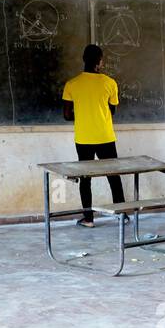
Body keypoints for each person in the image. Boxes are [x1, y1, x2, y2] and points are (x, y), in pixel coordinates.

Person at [62, 44, 124, 227]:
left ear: (83, 59)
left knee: (85, 178)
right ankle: (121, 214)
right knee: (114, 175)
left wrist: (81, 114)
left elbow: (66, 115)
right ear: (100, 61)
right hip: (105, 136)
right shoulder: (109, 83)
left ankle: (88, 218)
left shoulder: (72, 84)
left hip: (84, 138)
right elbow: (112, 110)